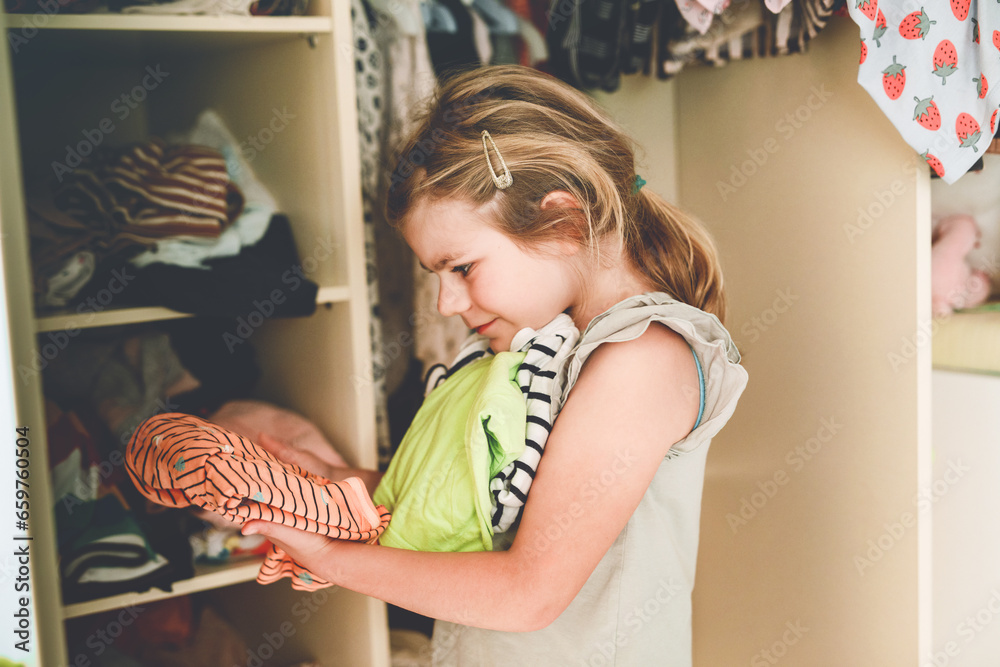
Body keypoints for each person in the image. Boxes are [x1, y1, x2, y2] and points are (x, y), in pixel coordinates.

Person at [244, 64, 749, 666]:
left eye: (460, 268)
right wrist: (329, 483)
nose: (446, 303)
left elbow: (527, 594)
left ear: (563, 224)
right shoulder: (531, 350)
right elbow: (474, 507)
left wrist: (331, 560)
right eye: (436, 275)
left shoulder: (640, 358)